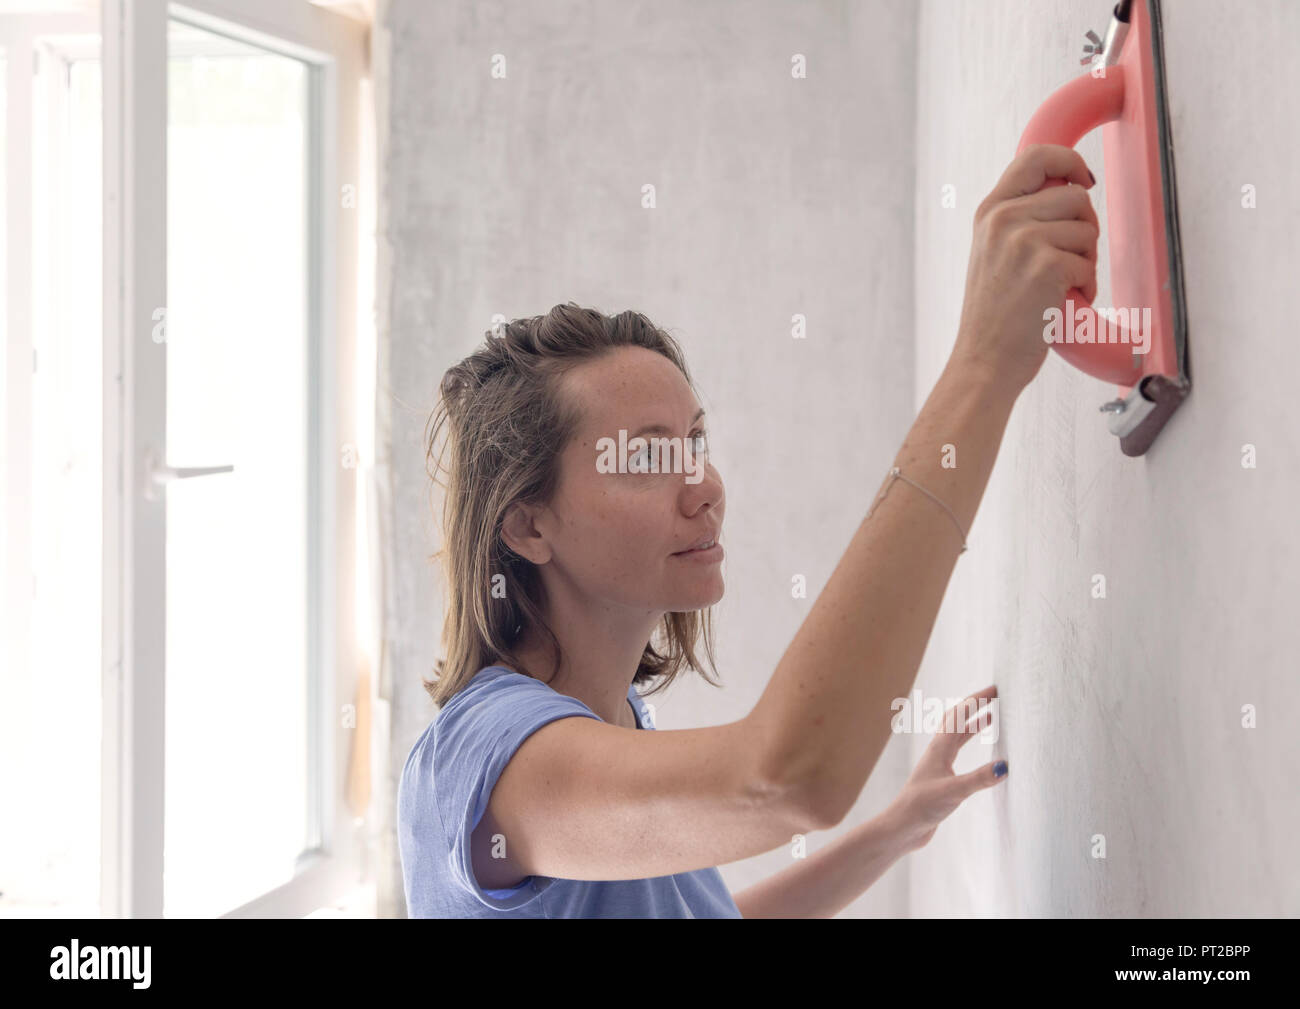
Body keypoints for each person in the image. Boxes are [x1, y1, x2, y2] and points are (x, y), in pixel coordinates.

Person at [397, 143, 1100, 918]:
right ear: (527, 524)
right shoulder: (484, 759)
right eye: (647, 457)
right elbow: (787, 779)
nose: (705, 488)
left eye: (694, 442)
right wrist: (983, 363)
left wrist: (898, 827)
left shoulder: (615, 723)